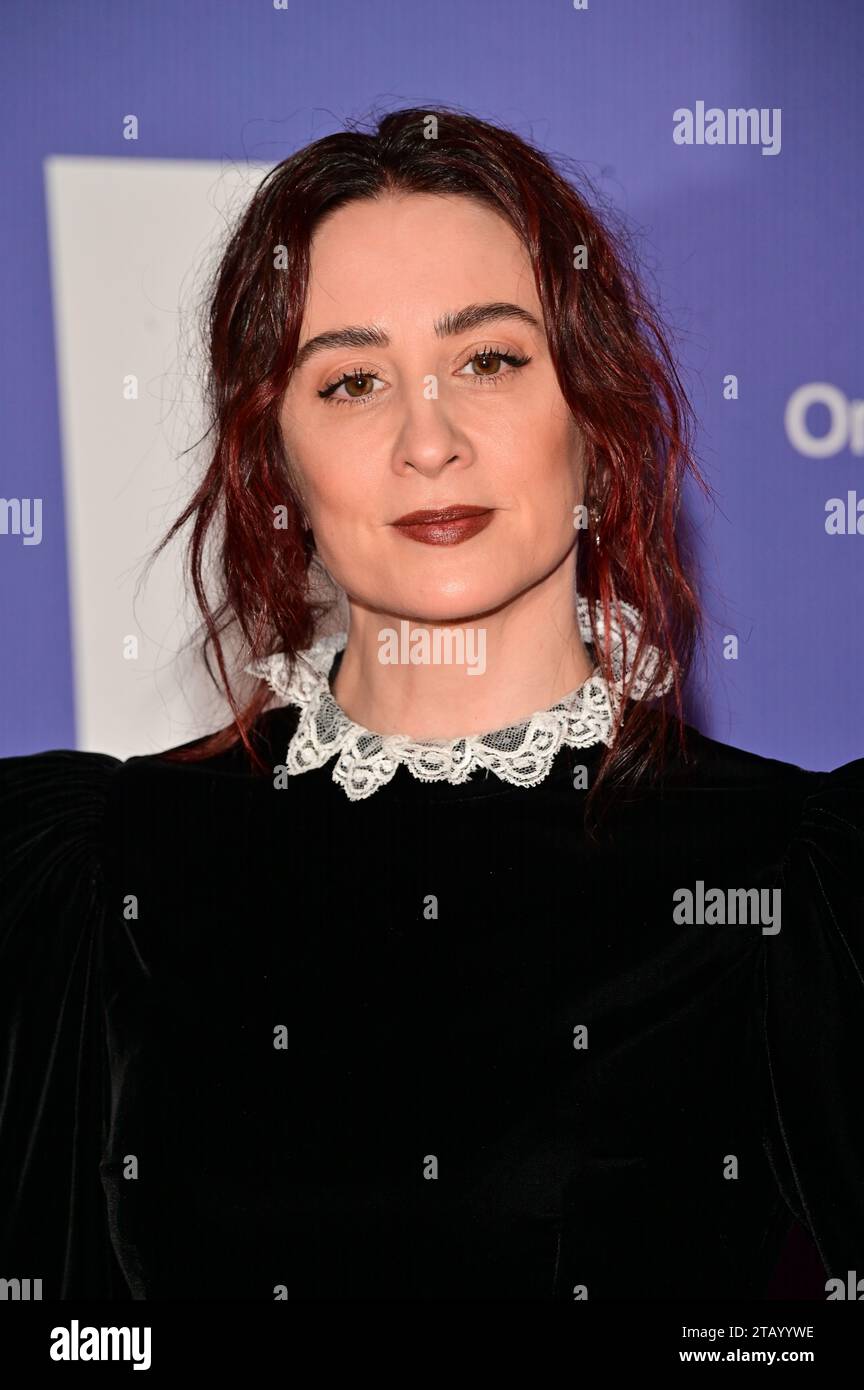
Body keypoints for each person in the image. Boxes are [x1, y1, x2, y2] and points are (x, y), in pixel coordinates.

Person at [1, 105, 862, 1302]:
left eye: (490, 360)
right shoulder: (106, 871)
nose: (428, 438)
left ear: (597, 424)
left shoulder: (786, 879)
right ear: (276, 464)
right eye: (353, 380)